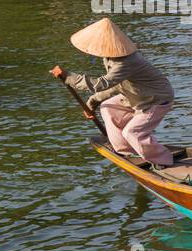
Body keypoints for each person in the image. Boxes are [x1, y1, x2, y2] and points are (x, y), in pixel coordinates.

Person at [52, 17, 176, 168]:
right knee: (108, 107)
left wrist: (68, 77)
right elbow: (115, 86)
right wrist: (93, 102)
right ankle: (125, 149)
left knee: (133, 133)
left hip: (156, 100)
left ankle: (162, 160)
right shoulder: (110, 58)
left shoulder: (126, 61)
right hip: (135, 95)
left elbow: (101, 84)